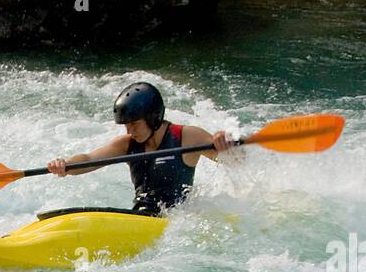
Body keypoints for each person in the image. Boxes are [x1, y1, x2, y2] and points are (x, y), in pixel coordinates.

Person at [47, 81, 234, 214]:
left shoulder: (186, 137)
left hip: (177, 223)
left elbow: (236, 161)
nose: (130, 130)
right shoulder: (127, 143)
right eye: (126, 125)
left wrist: (224, 146)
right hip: (140, 217)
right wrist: (66, 165)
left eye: (134, 124)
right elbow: (89, 160)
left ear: (153, 117)